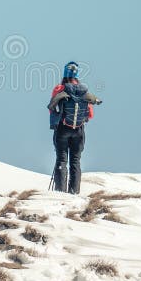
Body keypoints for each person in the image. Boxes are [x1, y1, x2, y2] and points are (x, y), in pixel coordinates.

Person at [47, 61, 102, 194]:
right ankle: (74, 192)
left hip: (62, 129)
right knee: (75, 161)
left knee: (61, 159)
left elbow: (52, 109)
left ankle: (60, 192)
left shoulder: (59, 89)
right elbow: (91, 114)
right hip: (79, 130)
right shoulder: (84, 92)